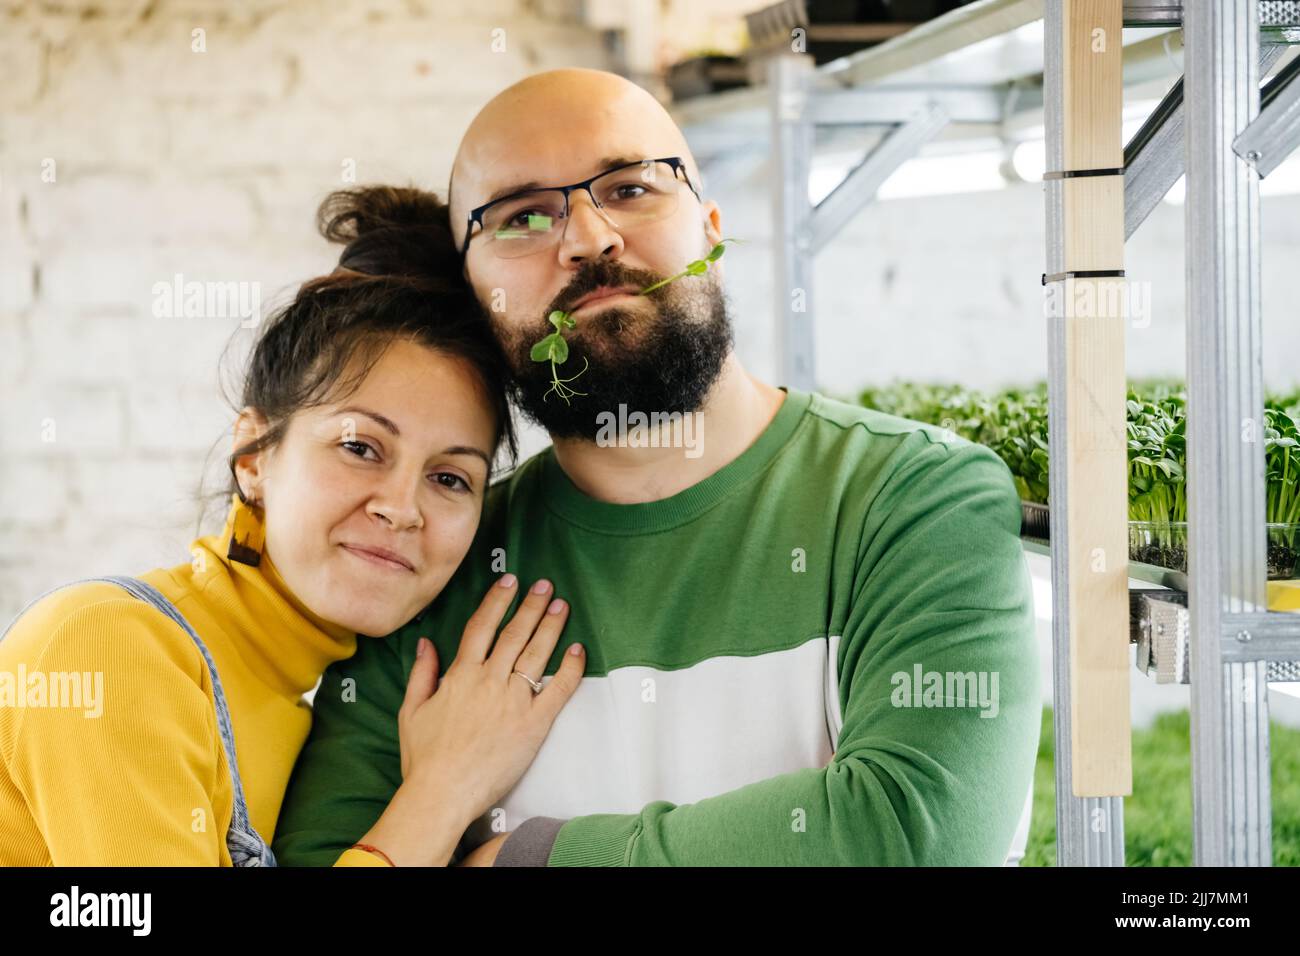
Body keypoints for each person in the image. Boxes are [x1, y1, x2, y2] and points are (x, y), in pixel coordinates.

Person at [274, 68, 1041, 867]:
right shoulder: (431, 562)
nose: (590, 238)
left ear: (710, 227)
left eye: (632, 188)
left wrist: (508, 859)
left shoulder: (918, 501)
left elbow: (917, 835)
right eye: (523, 216)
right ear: (474, 292)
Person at [0, 186, 586, 866]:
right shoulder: (107, 647)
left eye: (450, 478)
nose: (402, 508)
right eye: (360, 447)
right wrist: (444, 791)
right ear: (254, 456)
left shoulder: (312, 709)